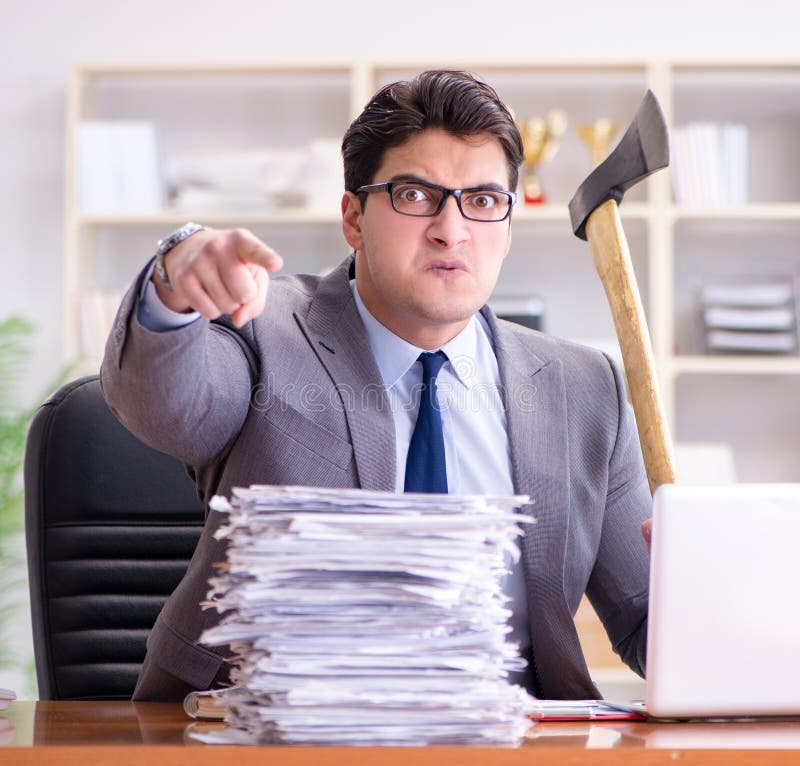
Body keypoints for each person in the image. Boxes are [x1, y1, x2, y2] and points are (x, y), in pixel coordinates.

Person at [101, 70, 652, 703]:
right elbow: (165, 406)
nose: (452, 229)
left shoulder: (586, 388)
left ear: (507, 221)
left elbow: (648, 621)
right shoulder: (262, 329)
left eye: (481, 199)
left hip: (509, 737)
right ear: (354, 218)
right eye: (416, 195)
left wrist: (712, 597)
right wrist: (175, 285)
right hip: (276, 737)